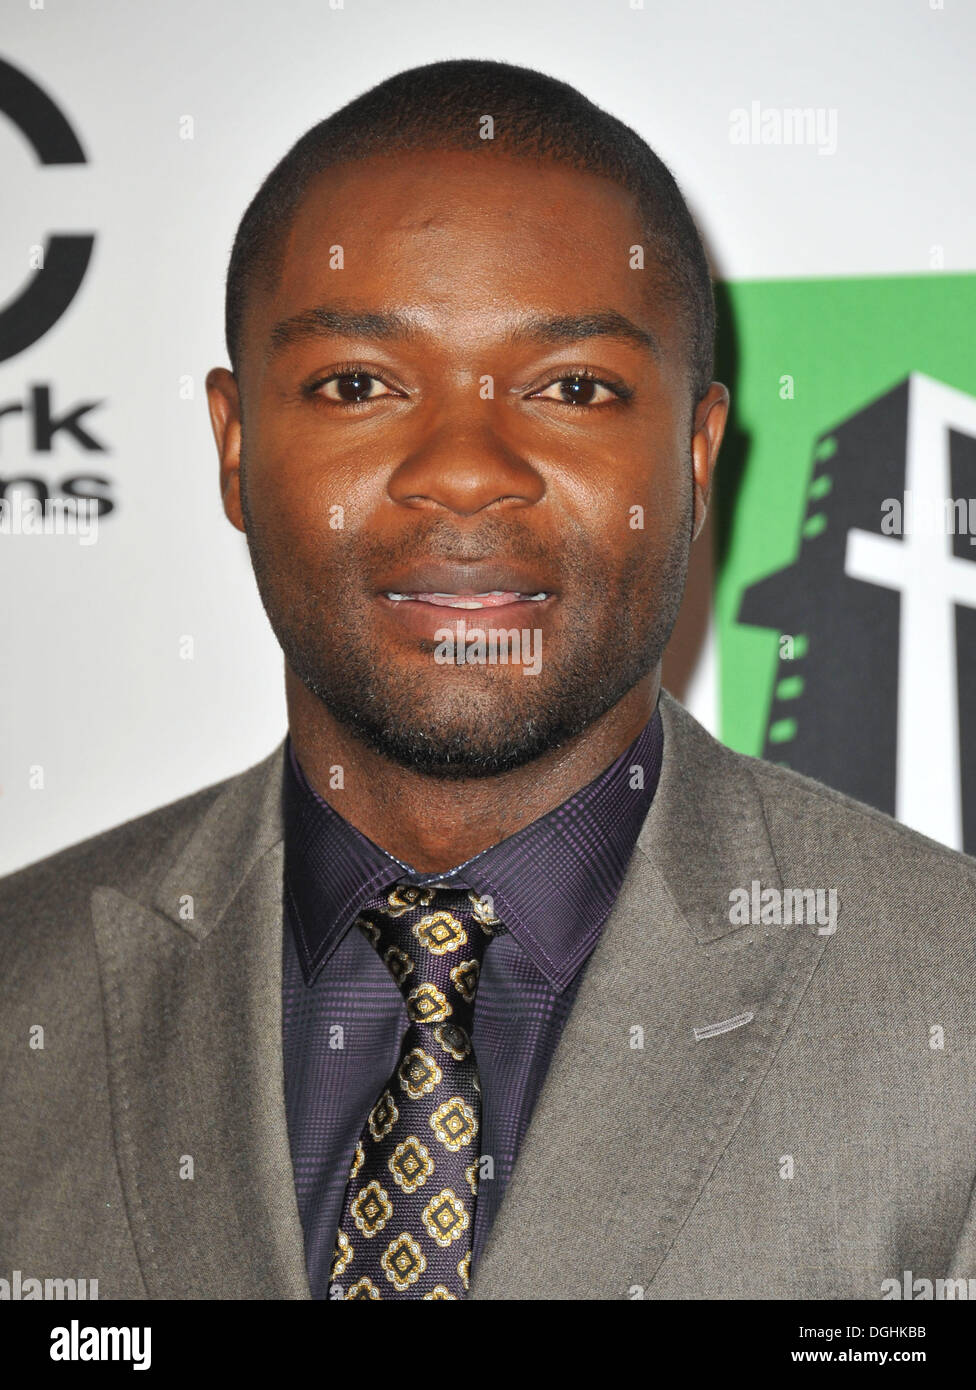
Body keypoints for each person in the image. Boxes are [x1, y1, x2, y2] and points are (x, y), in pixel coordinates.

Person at [2, 58, 975, 1302]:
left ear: (693, 453)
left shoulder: (946, 1006)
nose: (464, 470)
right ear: (236, 449)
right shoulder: (18, 993)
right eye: (360, 384)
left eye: (572, 388)